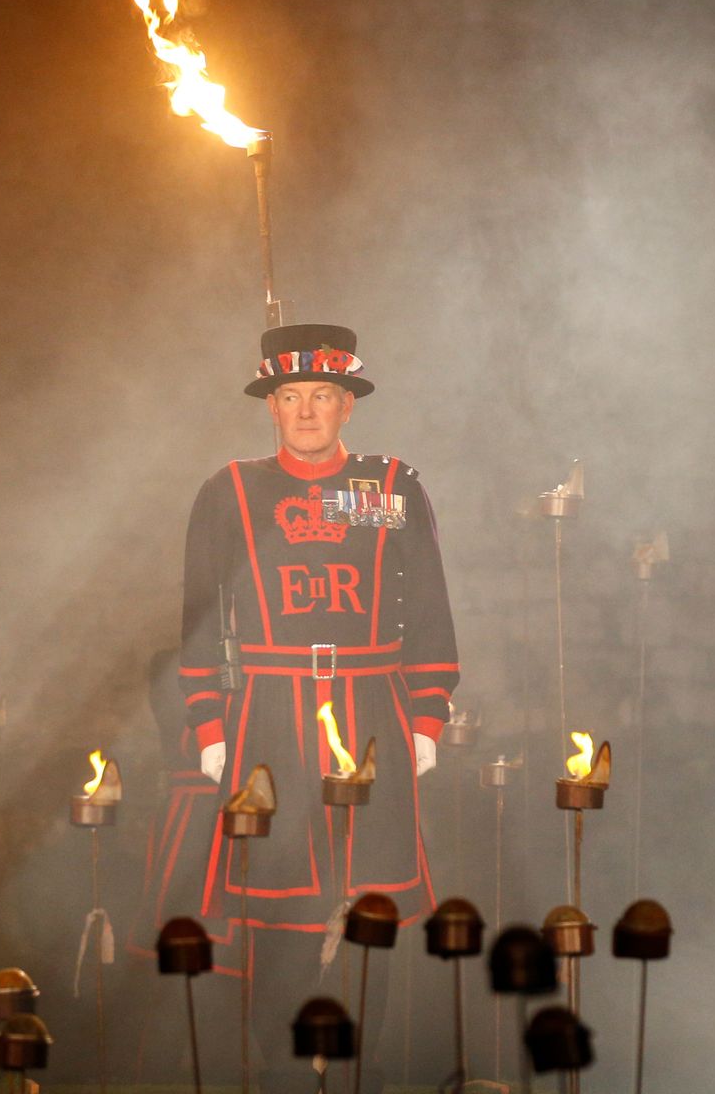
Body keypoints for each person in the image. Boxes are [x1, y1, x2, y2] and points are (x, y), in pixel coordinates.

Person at [172, 322, 459, 1090]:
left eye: (322, 397)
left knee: (373, 905)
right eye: (290, 397)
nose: (305, 412)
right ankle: (286, 1073)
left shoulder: (388, 488)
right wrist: (208, 722)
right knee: (277, 908)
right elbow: (199, 618)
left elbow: (428, 605)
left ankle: (362, 1072)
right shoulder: (230, 491)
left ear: (347, 406)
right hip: (267, 714)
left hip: (373, 708)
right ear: (271, 406)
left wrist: (427, 714)